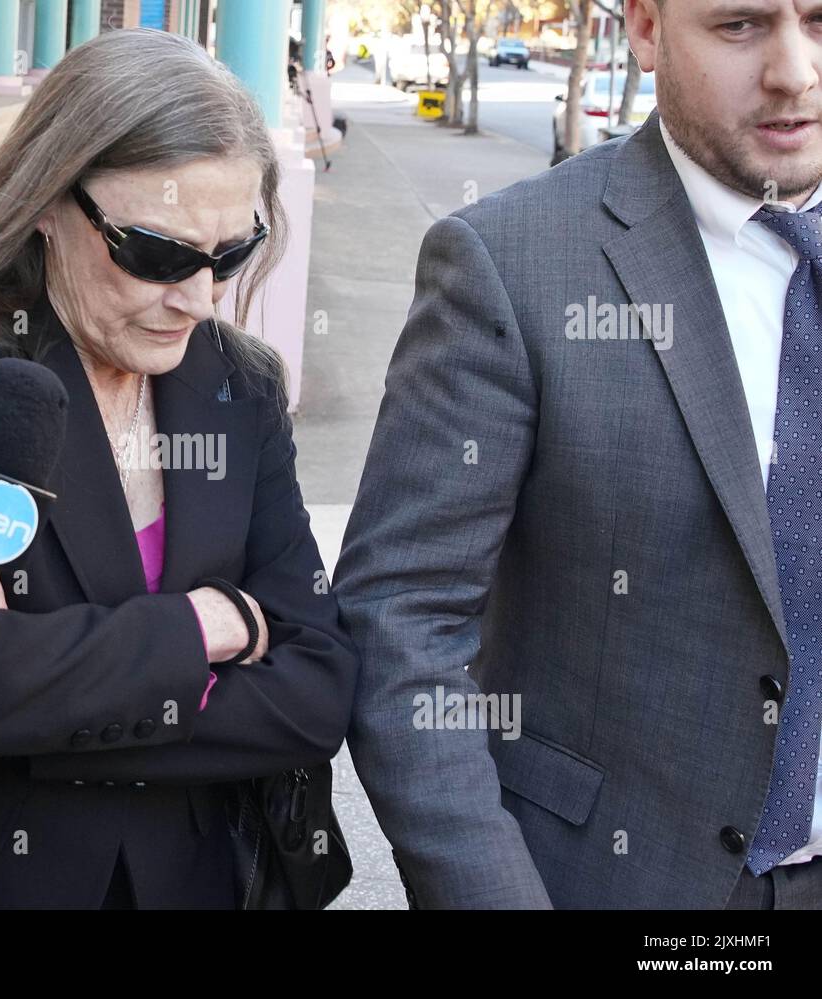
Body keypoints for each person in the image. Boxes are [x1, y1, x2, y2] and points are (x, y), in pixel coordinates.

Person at [0, 28, 360, 909]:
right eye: (156, 253)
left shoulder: (239, 387)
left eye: (230, 252)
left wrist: (46, 687)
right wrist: (211, 627)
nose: (199, 296)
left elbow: (317, 690)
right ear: (46, 200)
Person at [336, 0, 822, 909]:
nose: (794, 70)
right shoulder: (512, 262)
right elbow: (401, 621)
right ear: (644, 28)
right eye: (741, 25)